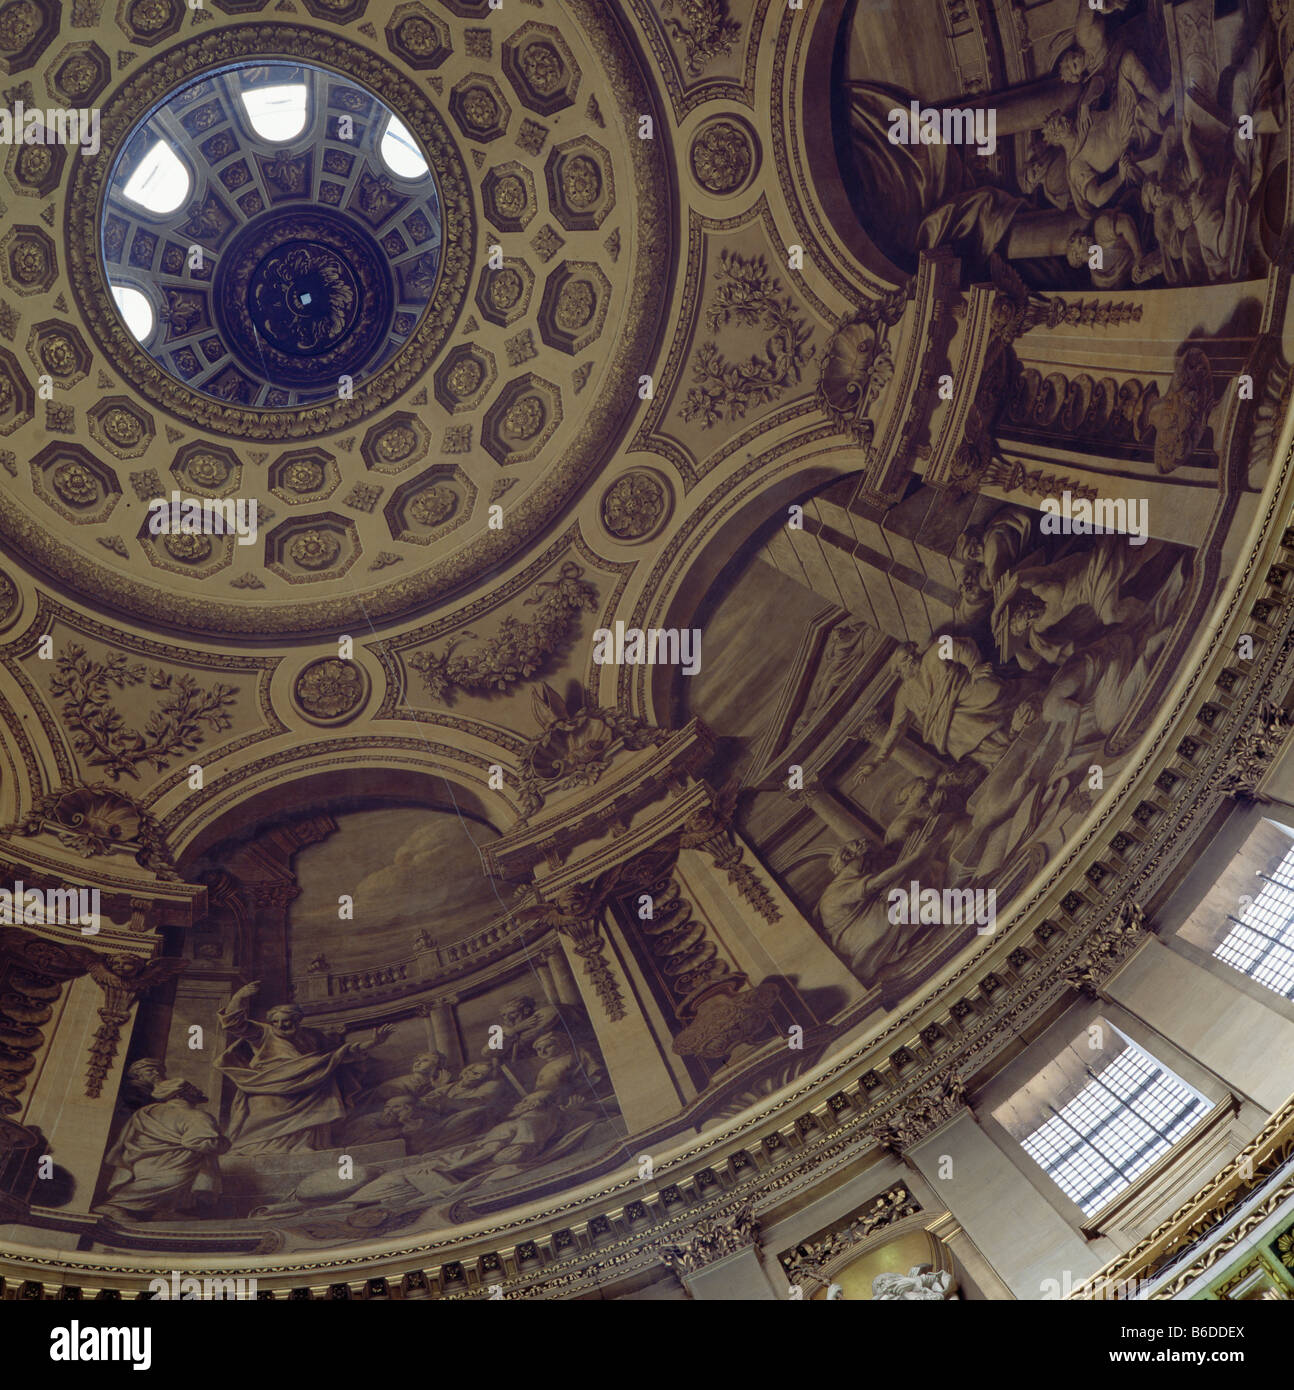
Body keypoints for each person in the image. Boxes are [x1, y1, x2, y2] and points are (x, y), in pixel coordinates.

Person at [215, 981, 393, 1154]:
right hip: (269, 1083)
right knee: (267, 1102)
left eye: (286, 1021)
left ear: (297, 1020)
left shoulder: (312, 1036)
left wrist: (372, 1043)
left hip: (309, 1085)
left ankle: (307, 1143)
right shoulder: (263, 1033)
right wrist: (239, 997)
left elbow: (338, 1055)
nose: (280, 1026)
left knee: (325, 1085)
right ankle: (261, 1145)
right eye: (275, 1022)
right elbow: (233, 1024)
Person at [97, 1080, 228, 1222]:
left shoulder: (145, 1112)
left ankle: (162, 1210)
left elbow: (128, 1137)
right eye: (192, 1088)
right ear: (180, 1094)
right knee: (159, 1185)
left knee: (155, 1185)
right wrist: (225, 1143)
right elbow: (198, 1142)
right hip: (174, 1164)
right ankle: (113, 1205)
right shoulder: (197, 1116)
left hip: (142, 1162)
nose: (198, 1090)